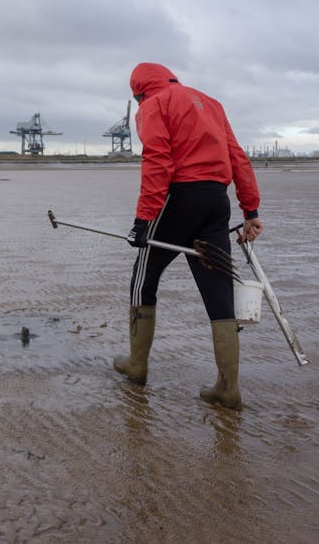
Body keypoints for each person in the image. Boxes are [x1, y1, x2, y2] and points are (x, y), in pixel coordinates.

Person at [115, 62, 263, 409]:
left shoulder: (154, 105)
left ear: (139, 92)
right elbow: (237, 157)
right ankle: (228, 388)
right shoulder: (210, 102)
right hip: (216, 202)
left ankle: (137, 366)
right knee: (218, 289)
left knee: (143, 278)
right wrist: (251, 211)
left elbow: (158, 161)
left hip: (180, 200)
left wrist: (143, 219)